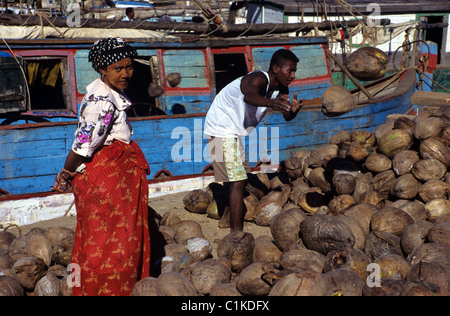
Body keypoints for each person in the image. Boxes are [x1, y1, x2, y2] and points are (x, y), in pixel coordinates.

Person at [51, 38, 151, 296]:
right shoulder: (102, 102)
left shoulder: (103, 94)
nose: (126, 73)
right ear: (102, 69)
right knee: (109, 238)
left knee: (103, 236)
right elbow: (82, 147)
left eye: (129, 67)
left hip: (112, 175)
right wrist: (65, 173)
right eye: (118, 68)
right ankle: (108, 289)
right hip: (106, 178)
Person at [204, 49, 302, 232]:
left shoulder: (282, 88)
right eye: (290, 71)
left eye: (294, 71)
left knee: (234, 178)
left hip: (232, 131)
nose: (293, 76)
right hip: (220, 126)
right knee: (238, 181)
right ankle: (236, 233)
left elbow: (286, 115)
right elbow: (249, 96)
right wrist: (271, 103)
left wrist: (292, 111)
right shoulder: (258, 79)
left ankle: (226, 219)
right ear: (275, 68)